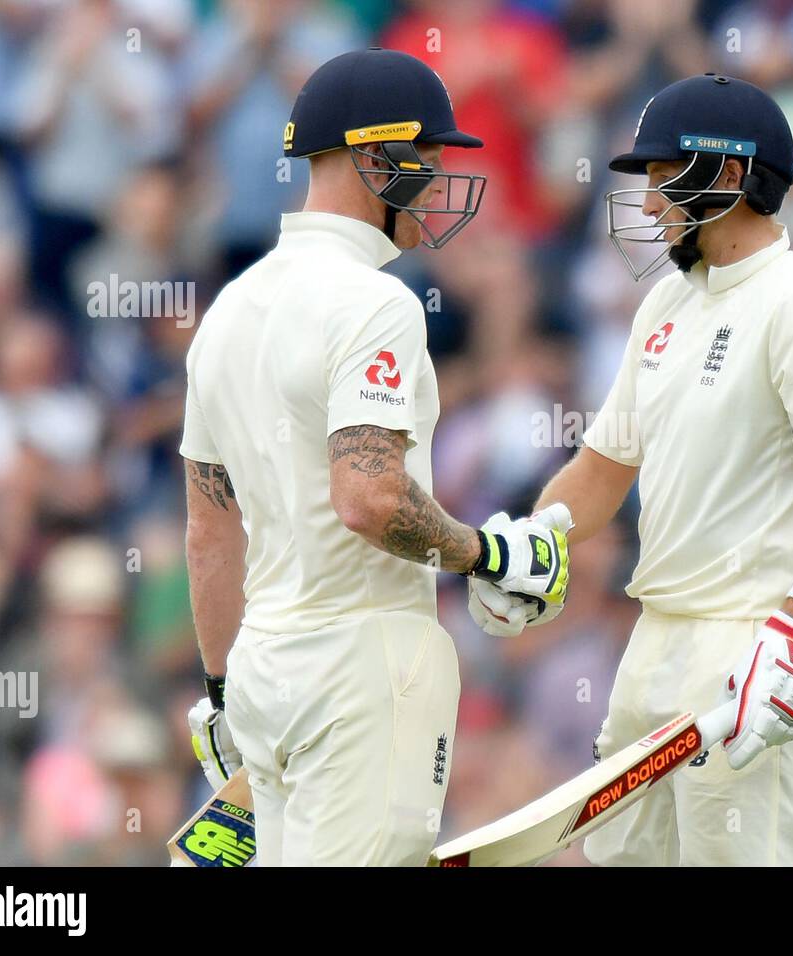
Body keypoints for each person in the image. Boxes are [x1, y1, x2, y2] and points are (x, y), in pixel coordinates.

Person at [469, 73, 793, 865]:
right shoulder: (666, 304)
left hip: (748, 647)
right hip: (653, 643)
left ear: (731, 176)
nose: (651, 200)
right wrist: (540, 544)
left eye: (667, 176)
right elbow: (601, 468)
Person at [179, 48, 569, 866]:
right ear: (374, 156)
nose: (433, 183)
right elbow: (370, 499)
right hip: (360, 671)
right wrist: (490, 553)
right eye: (425, 160)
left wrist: (223, 699)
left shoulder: (227, 312)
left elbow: (210, 537)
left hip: (262, 672)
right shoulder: (372, 301)